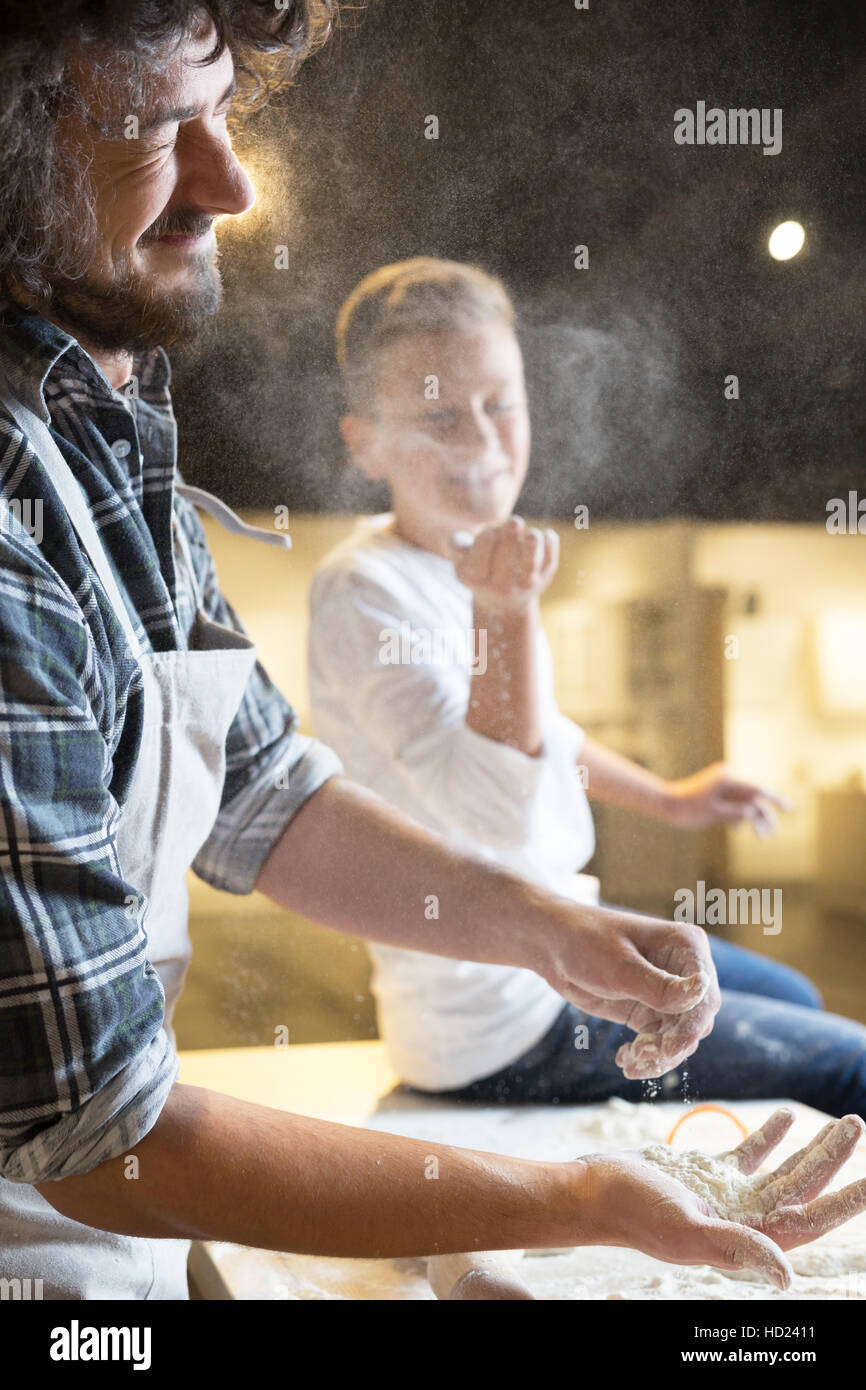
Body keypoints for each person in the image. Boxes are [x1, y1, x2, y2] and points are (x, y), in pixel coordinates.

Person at [0, 3, 862, 1301]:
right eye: (159, 126)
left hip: (131, 1234)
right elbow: (98, 1130)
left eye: (224, 118)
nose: (230, 181)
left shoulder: (111, 441)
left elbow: (260, 792)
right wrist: (576, 1197)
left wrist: (551, 924)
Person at [308, 254, 866, 1118]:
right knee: (850, 1069)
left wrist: (674, 800)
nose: (485, 444)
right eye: (438, 416)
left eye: (501, 405)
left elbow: (549, 740)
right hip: (500, 1018)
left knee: (793, 994)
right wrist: (503, 614)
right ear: (367, 444)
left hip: (564, 936)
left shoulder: (469, 565)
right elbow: (494, 817)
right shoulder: (363, 588)